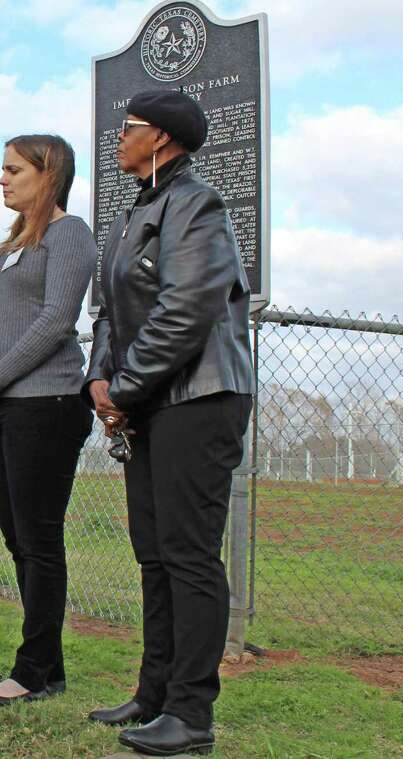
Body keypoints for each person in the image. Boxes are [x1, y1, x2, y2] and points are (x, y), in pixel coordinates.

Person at [84, 91, 253, 757]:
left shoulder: (196, 204)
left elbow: (187, 307)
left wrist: (124, 388)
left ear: (161, 139)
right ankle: (153, 693)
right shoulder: (135, 213)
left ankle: (191, 711)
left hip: (198, 397)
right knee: (153, 552)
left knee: (188, 553)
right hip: (151, 400)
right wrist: (99, 378)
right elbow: (110, 312)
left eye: (126, 129)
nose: (116, 139)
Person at [0, 135, 95, 707]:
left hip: (47, 404)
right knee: (19, 541)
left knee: (39, 542)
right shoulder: (13, 244)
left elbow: (57, 320)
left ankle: (32, 670)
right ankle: (48, 669)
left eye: (13, 169)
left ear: (49, 173)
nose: (2, 179)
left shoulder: (69, 234)